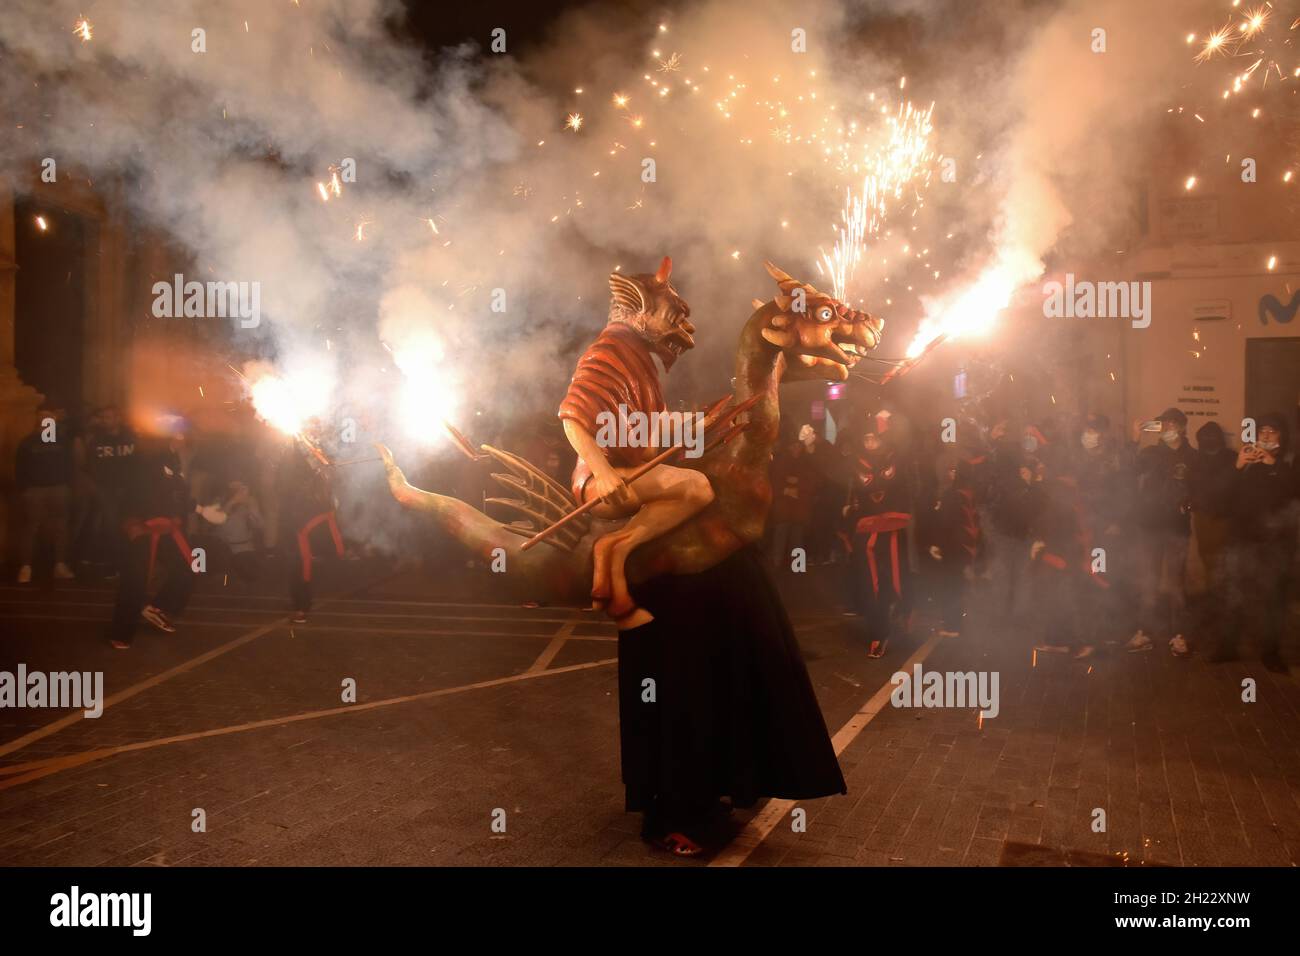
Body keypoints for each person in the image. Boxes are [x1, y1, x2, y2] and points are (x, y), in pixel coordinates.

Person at [558, 256, 705, 629]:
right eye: (672, 319)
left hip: (630, 470)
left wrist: (702, 422)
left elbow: (650, 425)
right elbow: (572, 419)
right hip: (600, 483)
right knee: (697, 488)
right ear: (638, 310)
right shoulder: (606, 351)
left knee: (692, 483)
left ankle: (613, 566)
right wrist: (603, 473)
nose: (684, 329)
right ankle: (617, 550)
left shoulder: (639, 359)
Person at [1214, 413, 1297, 671]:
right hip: (1241, 541)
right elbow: (1220, 497)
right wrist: (1238, 465)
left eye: (1273, 432)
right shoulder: (1244, 461)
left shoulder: (1289, 464)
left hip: (1275, 545)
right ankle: (1227, 647)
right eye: (1262, 432)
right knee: (1233, 595)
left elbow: (1292, 495)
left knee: (1273, 600)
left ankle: (1270, 653)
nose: (1266, 436)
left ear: (1282, 437)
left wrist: (1273, 464)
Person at [106, 432, 196, 649]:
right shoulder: (146, 459)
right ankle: (121, 633)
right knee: (135, 578)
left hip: (166, 526)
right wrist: (137, 521)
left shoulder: (172, 458)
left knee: (190, 565)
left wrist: (192, 509)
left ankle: (159, 607)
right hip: (140, 525)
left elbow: (177, 492)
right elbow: (140, 492)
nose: (181, 438)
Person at [1127, 407, 1196, 657]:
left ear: (1182, 427)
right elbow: (1128, 470)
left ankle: (1179, 635)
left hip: (1177, 528)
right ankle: (1144, 631)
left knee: (1176, 584)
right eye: (1162, 425)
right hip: (1150, 526)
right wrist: (1135, 438)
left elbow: (1199, 490)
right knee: (1149, 582)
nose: (1166, 429)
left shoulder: (1192, 455)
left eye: (1171, 425)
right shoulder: (1151, 452)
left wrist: (1188, 503)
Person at [842, 422, 911, 656]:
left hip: (892, 529)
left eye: (874, 438)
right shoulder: (858, 462)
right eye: (866, 439)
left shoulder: (894, 458)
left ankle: (901, 612)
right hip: (867, 529)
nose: (870, 443)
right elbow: (866, 485)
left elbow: (892, 483)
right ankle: (878, 633)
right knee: (871, 584)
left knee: (896, 576)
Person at [276, 430, 342, 625]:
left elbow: (327, 476)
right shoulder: (298, 458)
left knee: (301, 564)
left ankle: (302, 607)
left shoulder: (316, 464)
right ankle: (299, 603)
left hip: (309, 520)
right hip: (296, 516)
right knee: (294, 563)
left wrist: (326, 466)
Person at [921, 451, 982, 638]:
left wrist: (937, 545)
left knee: (950, 587)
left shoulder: (951, 495)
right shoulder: (972, 494)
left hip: (953, 549)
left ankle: (952, 626)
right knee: (959, 586)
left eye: (956, 470)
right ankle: (957, 623)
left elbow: (944, 523)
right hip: (968, 548)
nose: (952, 473)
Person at [1188, 421, 1237, 654]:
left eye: (1212, 436)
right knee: (1210, 570)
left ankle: (1226, 635)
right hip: (1204, 520)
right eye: (1204, 436)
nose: (1209, 440)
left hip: (1226, 521)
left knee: (1224, 575)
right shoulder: (1196, 459)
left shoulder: (1231, 458)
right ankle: (1217, 624)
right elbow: (1193, 487)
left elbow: (1232, 488)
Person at [14, 407, 76, 583]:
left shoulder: (63, 441)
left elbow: (70, 465)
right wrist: (24, 489)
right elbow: (20, 468)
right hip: (35, 490)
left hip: (59, 488)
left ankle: (60, 565)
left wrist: (68, 486)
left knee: (61, 528)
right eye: (43, 419)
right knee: (31, 528)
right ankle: (26, 566)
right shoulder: (27, 443)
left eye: (49, 419)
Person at [768, 437, 816, 570]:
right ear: (788, 447)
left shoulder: (806, 463)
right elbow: (773, 482)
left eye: (798, 446)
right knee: (780, 535)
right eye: (793, 446)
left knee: (797, 537)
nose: (796, 449)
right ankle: (776, 565)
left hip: (799, 508)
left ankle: (798, 565)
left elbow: (812, 483)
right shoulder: (780, 462)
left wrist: (798, 484)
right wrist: (785, 490)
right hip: (783, 507)